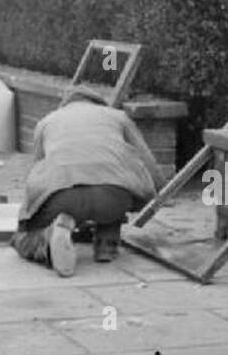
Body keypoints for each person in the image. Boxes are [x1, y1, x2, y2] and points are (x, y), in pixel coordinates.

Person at [10, 87, 167, 276]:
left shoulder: (47, 121)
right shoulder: (118, 117)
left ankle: (48, 240)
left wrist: (27, 216)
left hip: (63, 197)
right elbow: (148, 161)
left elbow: (37, 170)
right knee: (114, 182)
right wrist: (160, 191)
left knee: (23, 238)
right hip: (115, 198)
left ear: (67, 104)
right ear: (99, 103)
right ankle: (106, 245)